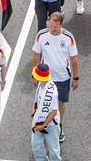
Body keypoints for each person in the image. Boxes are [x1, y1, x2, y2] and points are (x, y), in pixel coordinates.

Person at [32, 11, 79, 141]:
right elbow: (36, 54)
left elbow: (74, 59)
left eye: (55, 27)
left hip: (63, 77)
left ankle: (59, 125)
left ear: (61, 25)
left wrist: (75, 78)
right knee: (43, 101)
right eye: (51, 25)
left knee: (60, 104)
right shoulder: (42, 35)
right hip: (45, 78)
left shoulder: (68, 38)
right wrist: (35, 75)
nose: (52, 28)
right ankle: (43, 124)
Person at [30, 62, 62, 161]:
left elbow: (53, 112)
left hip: (50, 124)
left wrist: (43, 125)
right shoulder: (41, 84)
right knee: (36, 146)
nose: (32, 78)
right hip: (39, 122)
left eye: (33, 76)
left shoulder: (51, 91)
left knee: (53, 149)